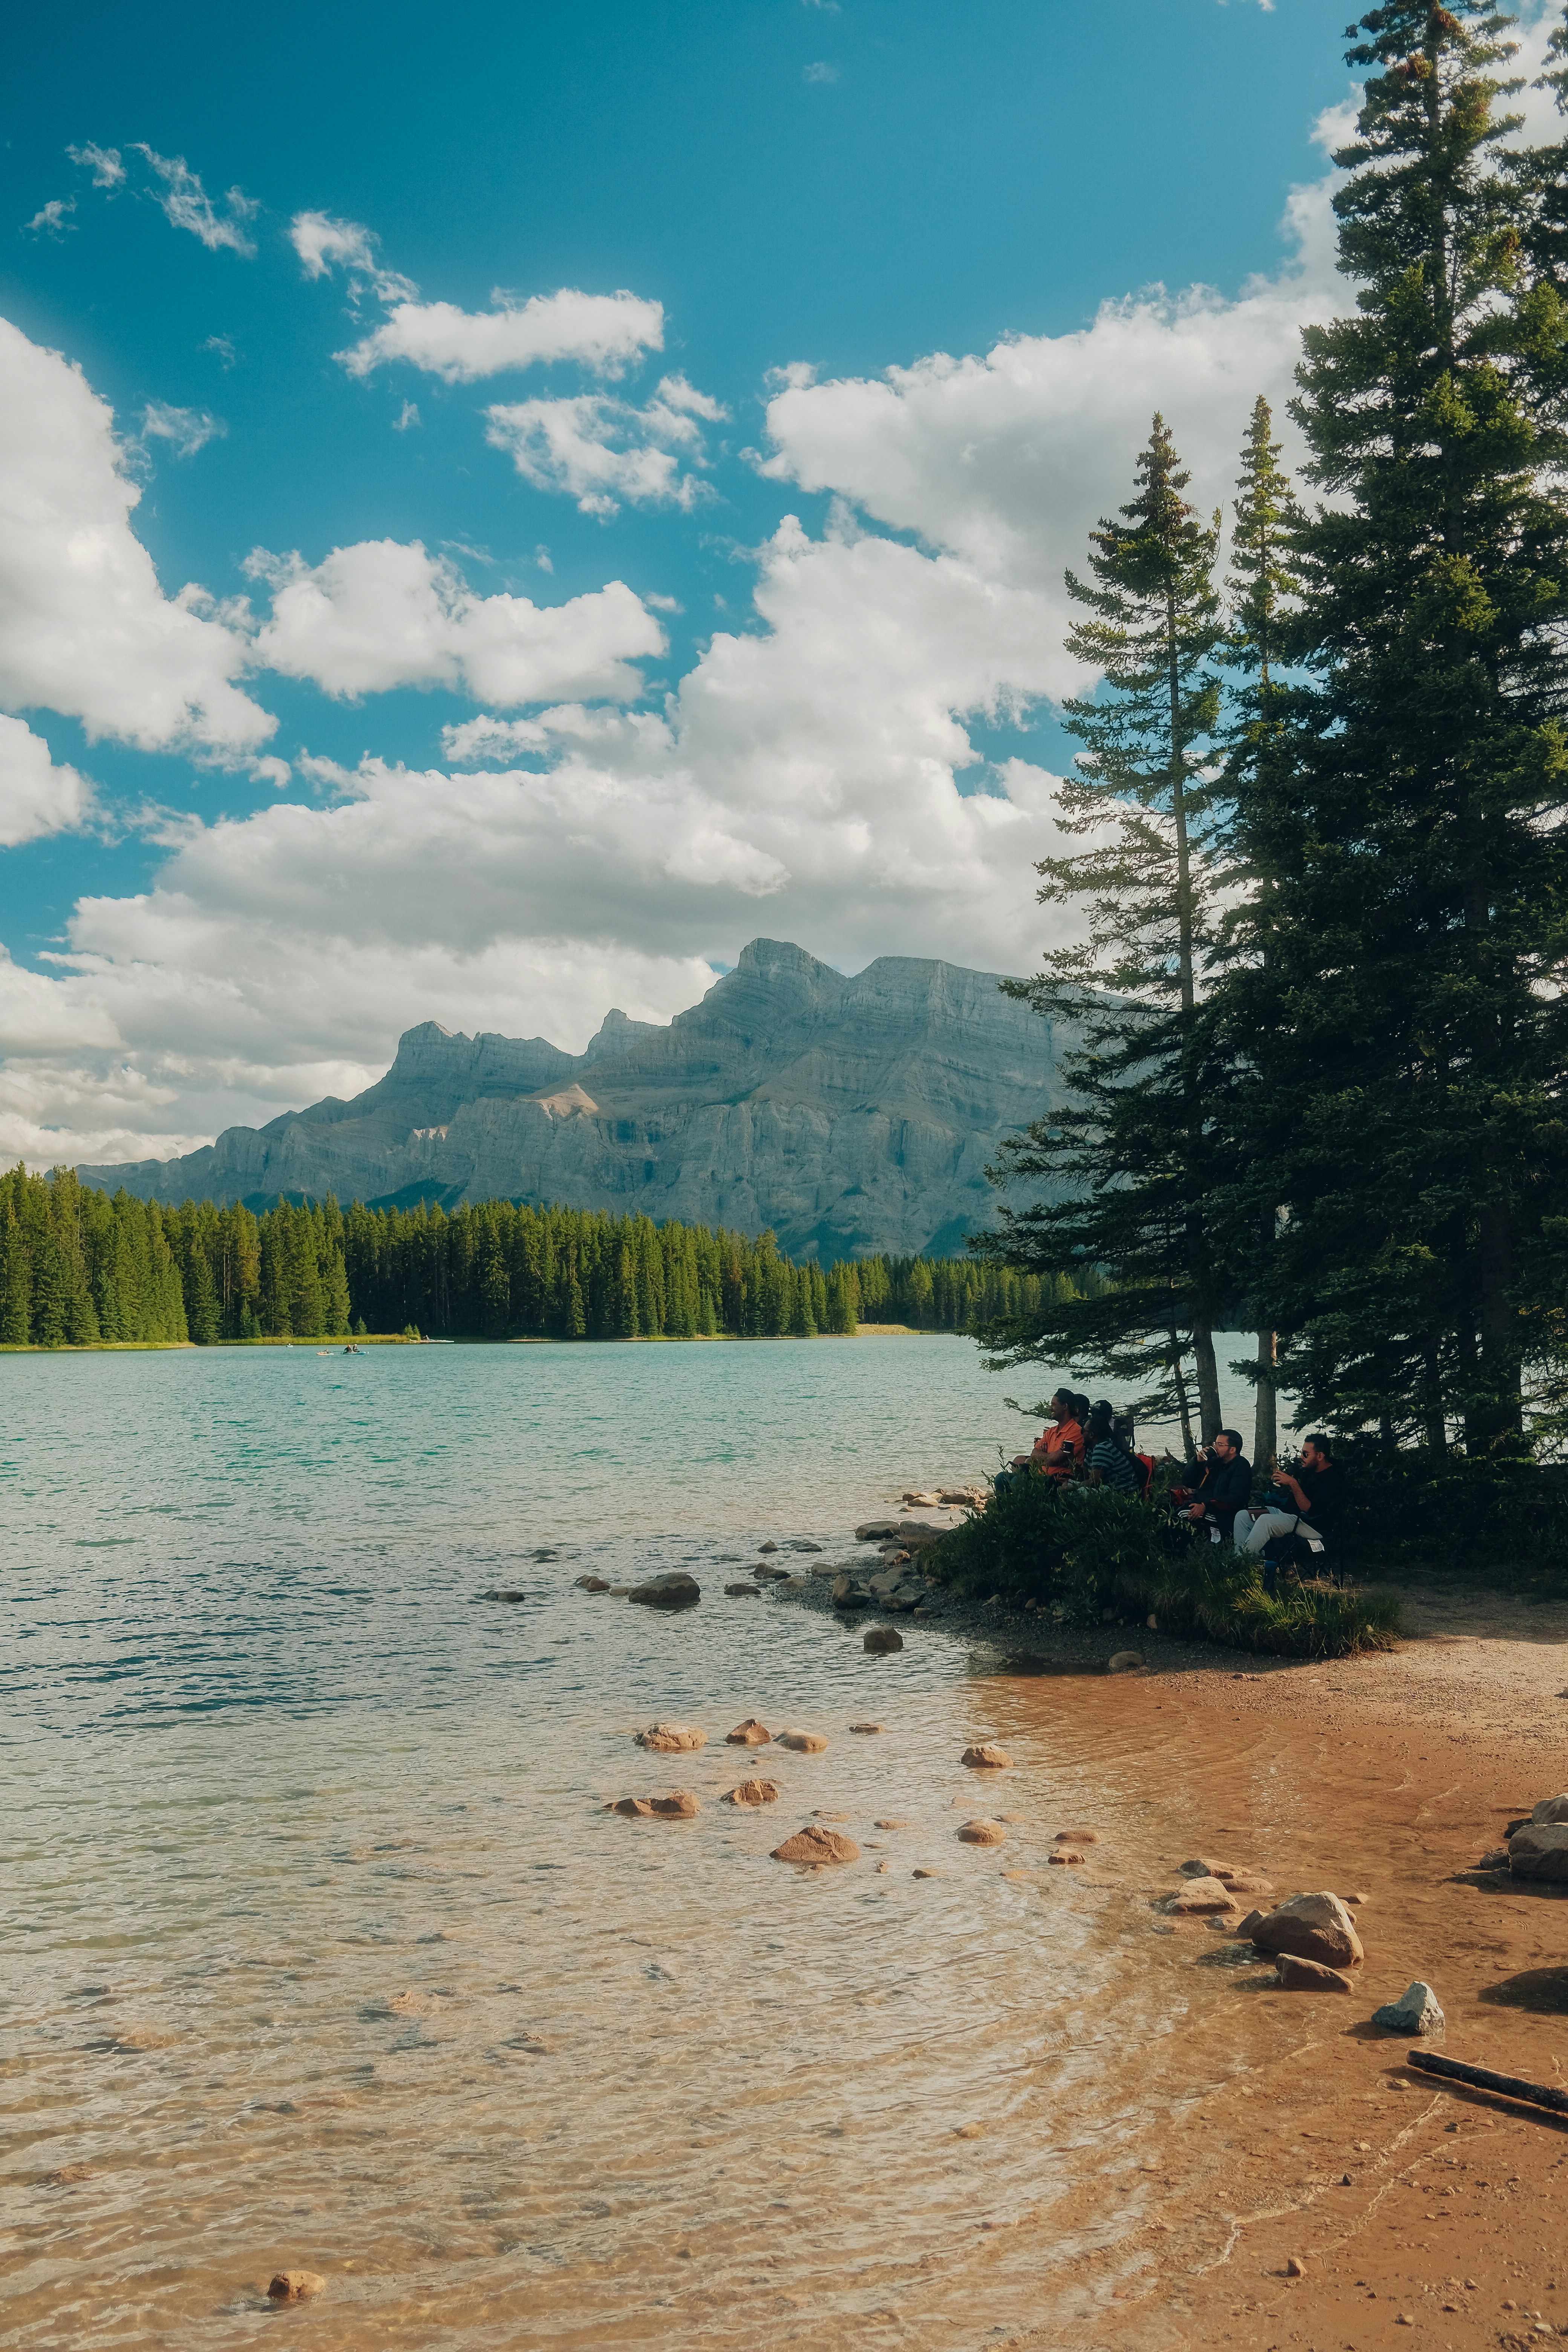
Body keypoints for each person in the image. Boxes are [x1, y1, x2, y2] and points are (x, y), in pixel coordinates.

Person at [1233, 1432, 1341, 1561]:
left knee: (1265, 1521)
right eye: (1302, 1453)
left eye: (1306, 1454)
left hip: (1312, 1525)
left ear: (1320, 1456)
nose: (1302, 1457)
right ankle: (1248, 1559)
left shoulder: (1333, 1480)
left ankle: (1240, 1563)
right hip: (1289, 1515)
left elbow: (1310, 1510)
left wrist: (1293, 1484)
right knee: (1243, 1516)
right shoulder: (1312, 1470)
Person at [1006, 1388, 1085, 1481]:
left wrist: (1045, 1456)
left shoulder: (1076, 1432)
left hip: (1059, 1479)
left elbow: (1053, 1460)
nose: (1050, 1408)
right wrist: (1048, 1456)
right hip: (1042, 1476)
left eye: (1054, 1405)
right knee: (1002, 1478)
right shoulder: (1052, 1431)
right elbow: (1034, 1452)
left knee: (1017, 1481)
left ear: (1065, 1406)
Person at [1182, 1430, 1252, 1535]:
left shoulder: (1241, 1466)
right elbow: (1189, 1482)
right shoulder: (1214, 1463)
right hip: (1199, 1504)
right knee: (1165, 1513)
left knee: (1178, 1517)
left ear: (1232, 1450)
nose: (1216, 1448)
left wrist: (1205, 1505)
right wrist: (1197, 1462)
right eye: (1215, 1444)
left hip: (1221, 1514)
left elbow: (1237, 1498)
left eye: (1220, 1445)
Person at [1084, 1401, 1141, 1494]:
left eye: (1083, 1431)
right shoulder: (1093, 1446)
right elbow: (1085, 1475)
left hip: (1122, 1493)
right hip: (1110, 1484)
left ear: (1091, 1435)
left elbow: (1093, 1482)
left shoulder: (1102, 1446)